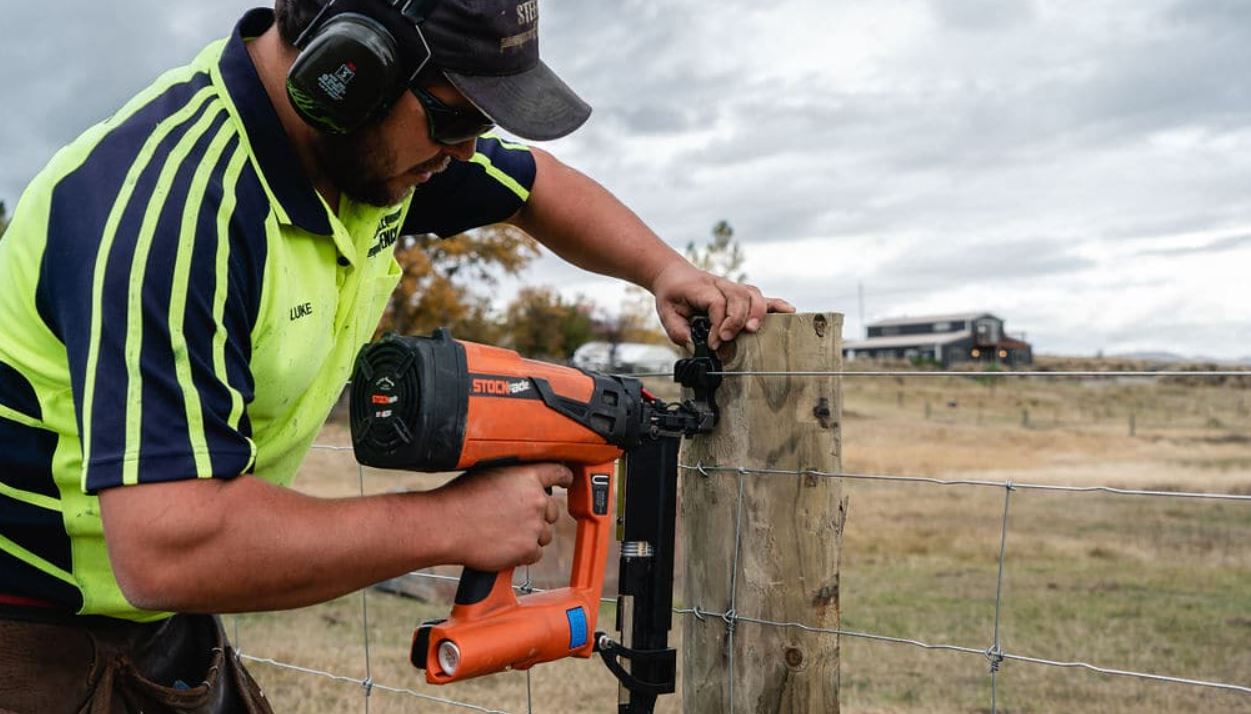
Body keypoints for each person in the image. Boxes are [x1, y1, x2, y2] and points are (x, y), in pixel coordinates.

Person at [0, 1, 794, 711]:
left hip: (159, 623)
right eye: (455, 118)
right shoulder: (176, 211)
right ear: (344, 71)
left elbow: (533, 183)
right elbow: (167, 546)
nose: (467, 149)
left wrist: (667, 271)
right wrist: (451, 521)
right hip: (27, 626)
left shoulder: (372, 155)